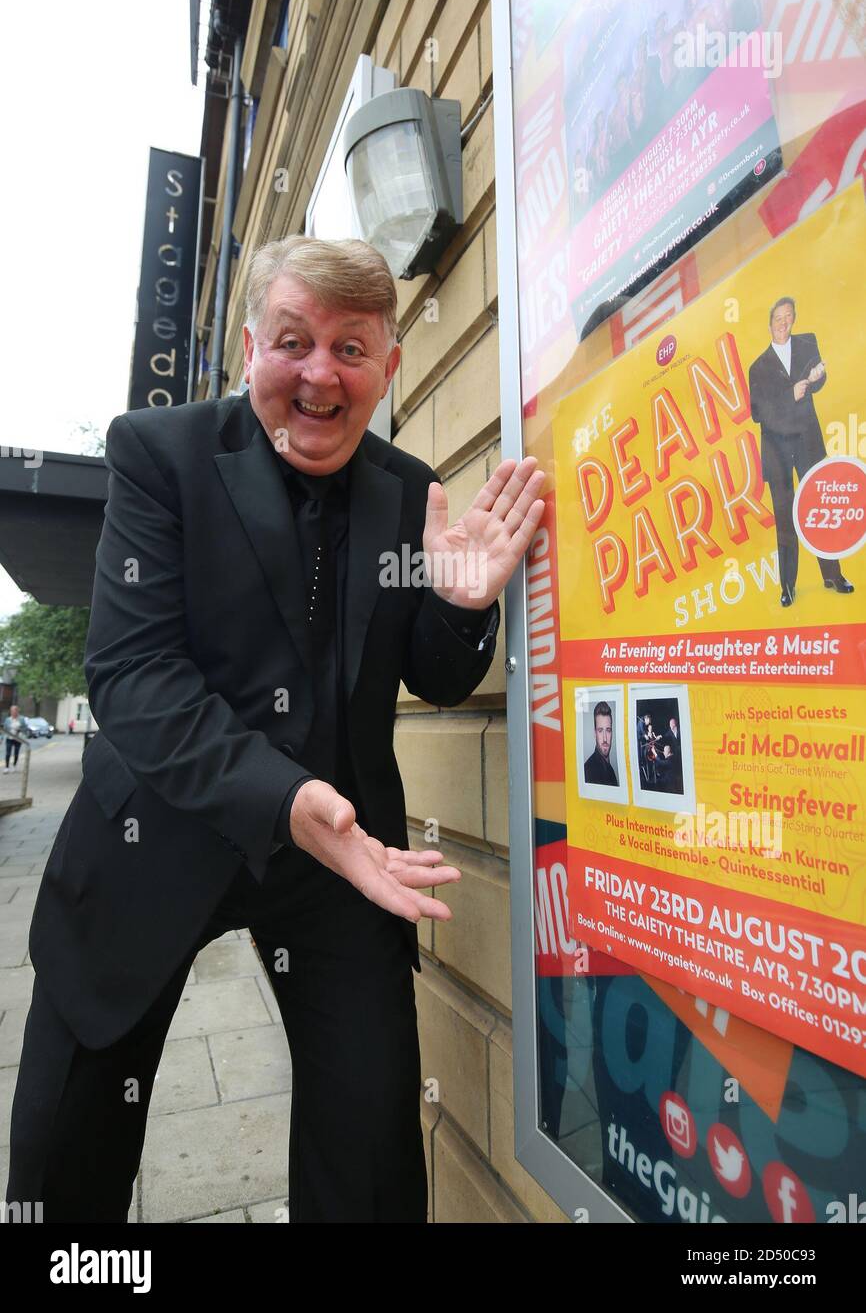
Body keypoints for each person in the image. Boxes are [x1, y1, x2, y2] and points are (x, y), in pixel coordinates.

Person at [5, 236, 545, 1224]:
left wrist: (462, 603)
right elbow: (133, 677)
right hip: (156, 835)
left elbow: (433, 673)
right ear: (251, 347)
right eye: (294, 342)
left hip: (340, 859)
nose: (320, 373)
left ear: (389, 364)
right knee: (65, 1160)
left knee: (372, 1146)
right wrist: (285, 799)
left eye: (351, 348)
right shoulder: (158, 455)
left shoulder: (408, 489)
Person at [748, 296, 853, 607]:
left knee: (820, 508)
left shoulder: (808, 343)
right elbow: (758, 413)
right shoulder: (758, 367)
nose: (783, 323)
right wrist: (790, 395)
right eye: (778, 318)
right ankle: (788, 587)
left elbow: (819, 382)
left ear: (793, 318)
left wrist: (817, 379)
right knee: (785, 520)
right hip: (776, 450)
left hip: (807, 442)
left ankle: (833, 575)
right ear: (769, 324)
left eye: (788, 316)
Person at [583, 701, 618, 786]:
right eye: (600, 731)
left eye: (608, 730)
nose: (605, 739)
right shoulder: (588, 771)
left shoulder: (610, 769)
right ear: (595, 733)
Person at [3, 705, 25, 772]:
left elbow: (25, 728)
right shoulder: (8, 719)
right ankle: (6, 767)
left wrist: (20, 730)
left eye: (15, 711)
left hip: (18, 738)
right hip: (9, 738)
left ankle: (14, 766)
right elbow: (4, 729)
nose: (13, 712)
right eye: (12, 711)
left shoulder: (21, 719)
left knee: (16, 753)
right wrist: (1, 738)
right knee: (8, 753)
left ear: (17, 711)